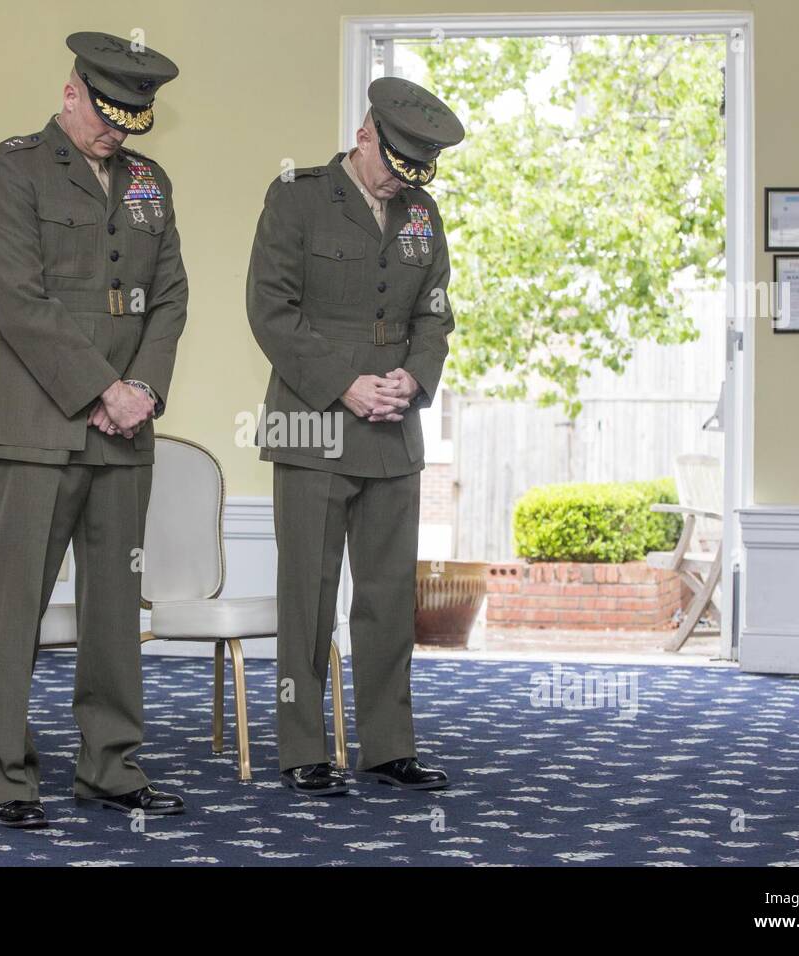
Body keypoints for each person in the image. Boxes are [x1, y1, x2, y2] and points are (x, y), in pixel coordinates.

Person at [0, 31, 188, 827]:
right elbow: (18, 298)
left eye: (131, 120)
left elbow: (170, 297)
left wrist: (140, 390)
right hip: (33, 428)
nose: (118, 132)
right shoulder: (12, 168)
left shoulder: (148, 182)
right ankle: (8, 775)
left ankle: (111, 766)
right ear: (71, 93)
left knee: (113, 609)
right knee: (15, 610)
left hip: (126, 430)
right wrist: (100, 387)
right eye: (106, 114)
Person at [246, 77, 464, 795]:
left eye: (415, 172)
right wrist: (345, 381)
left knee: (387, 596)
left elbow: (435, 313)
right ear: (366, 133)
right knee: (308, 598)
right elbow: (271, 311)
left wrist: (415, 378)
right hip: (313, 424)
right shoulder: (297, 197)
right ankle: (303, 748)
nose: (401, 183)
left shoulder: (421, 214)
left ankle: (388, 747)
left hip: (393, 433)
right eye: (393, 164)